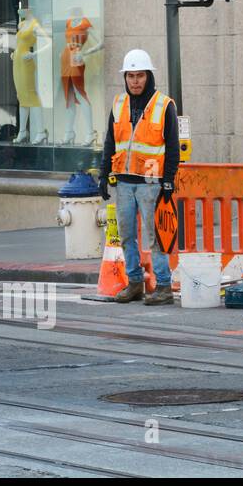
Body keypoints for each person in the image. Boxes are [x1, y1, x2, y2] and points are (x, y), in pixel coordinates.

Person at [100, 48, 179, 305]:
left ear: (149, 76)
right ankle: (135, 283)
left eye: (140, 75)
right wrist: (104, 175)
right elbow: (110, 142)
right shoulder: (118, 103)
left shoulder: (164, 105)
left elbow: (173, 147)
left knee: (154, 236)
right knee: (126, 235)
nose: (135, 81)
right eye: (131, 76)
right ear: (125, 77)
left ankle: (164, 287)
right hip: (123, 181)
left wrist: (168, 181)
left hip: (150, 184)